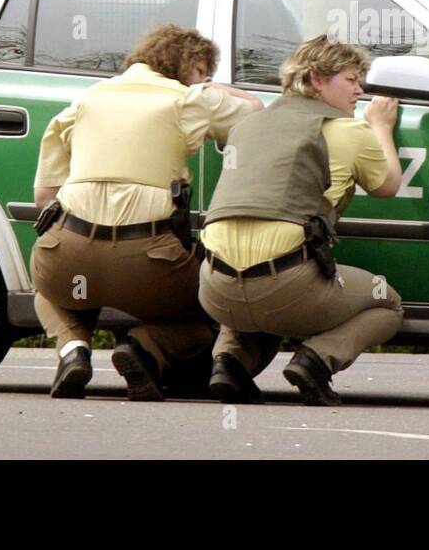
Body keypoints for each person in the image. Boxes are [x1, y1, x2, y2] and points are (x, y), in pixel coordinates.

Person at [31, 24, 263, 400]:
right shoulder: (189, 99)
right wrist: (214, 89)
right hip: (150, 261)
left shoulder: (88, 99)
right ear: (195, 65)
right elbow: (254, 111)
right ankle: (144, 347)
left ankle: (73, 349)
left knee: (48, 287)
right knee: (216, 303)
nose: (205, 80)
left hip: (69, 254)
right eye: (206, 72)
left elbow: (44, 195)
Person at [198, 37, 404, 406]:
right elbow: (388, 185)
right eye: (351, 79)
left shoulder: (250, 124)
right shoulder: (350, 131)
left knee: (249, 276)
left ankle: (228, 364)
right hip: (284, 287)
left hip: (215, 287)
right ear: (316, 80)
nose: (359, 89)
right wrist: (382, 126)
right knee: (386, 303)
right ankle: (316, 359)